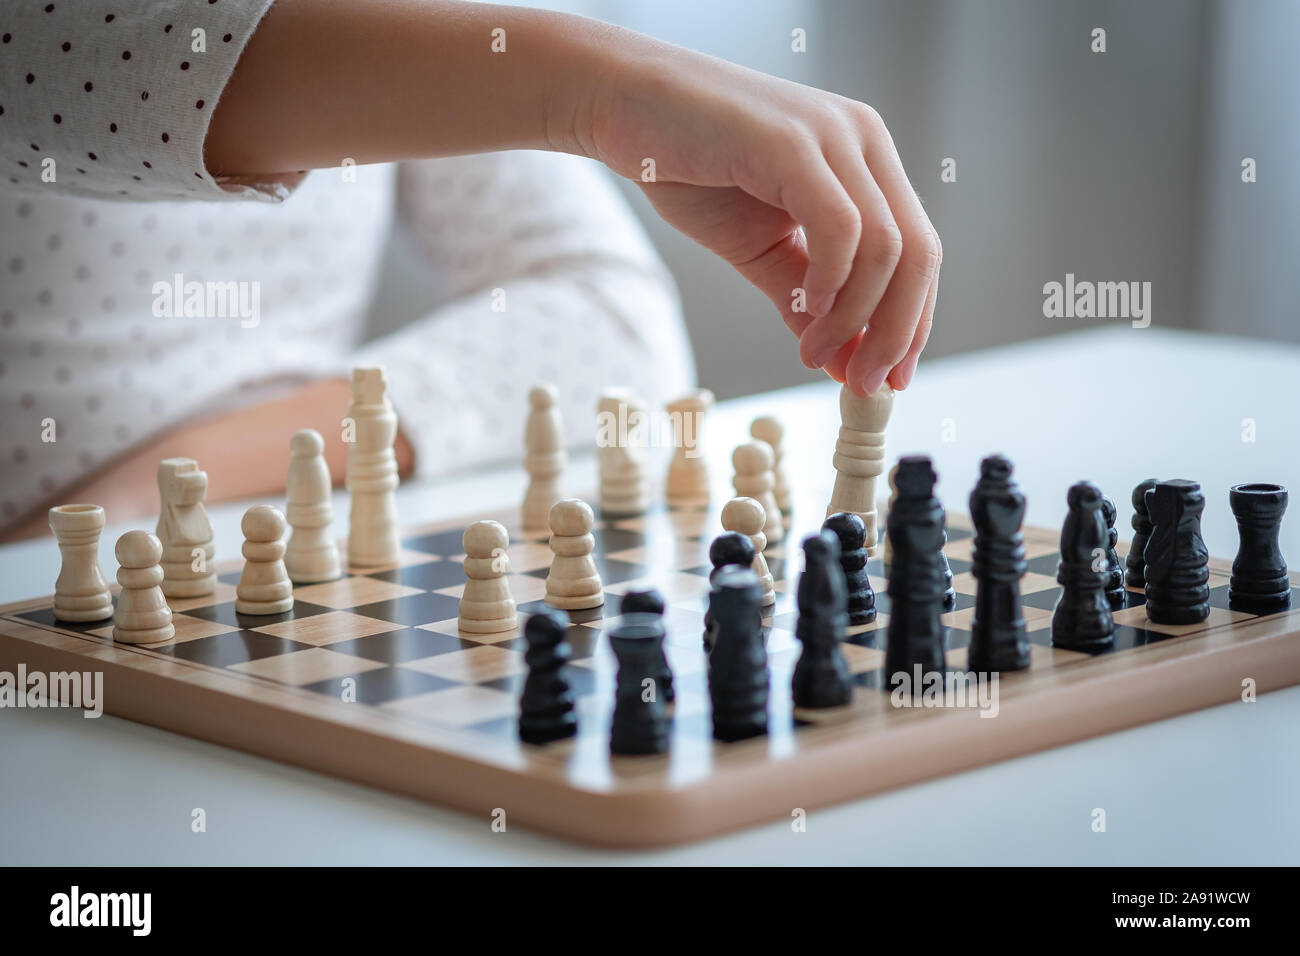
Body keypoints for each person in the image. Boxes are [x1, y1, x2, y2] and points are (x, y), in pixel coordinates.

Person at [0, 0, 941, 540]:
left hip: (233, 555)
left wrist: (163, 482)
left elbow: (610, 329)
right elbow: (108, 59)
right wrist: (597, 89)